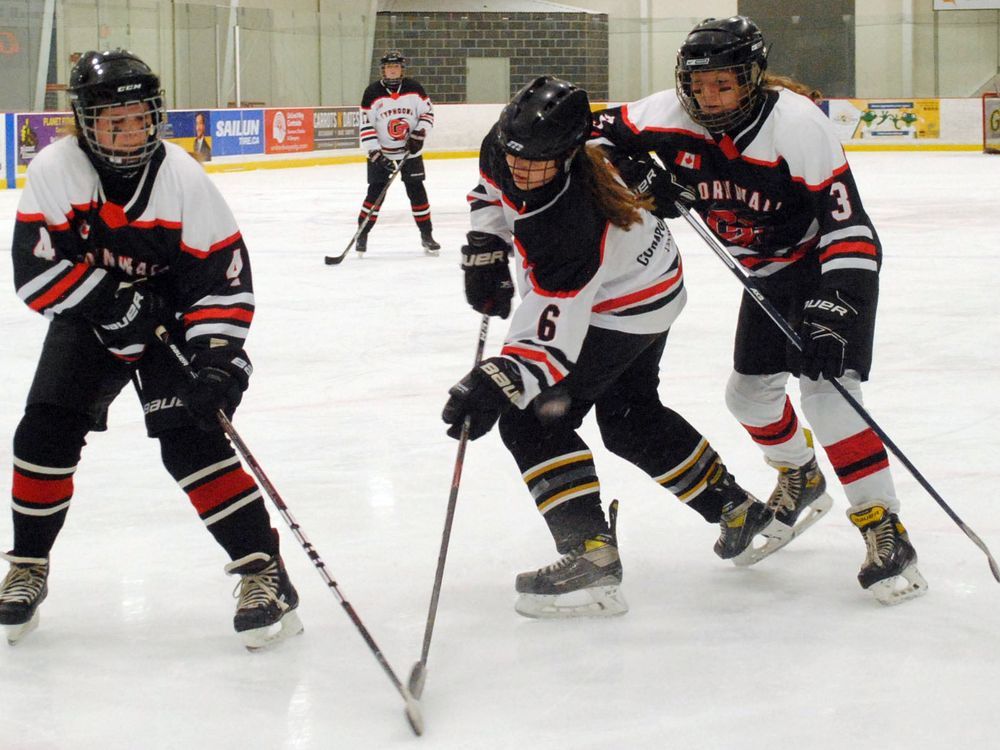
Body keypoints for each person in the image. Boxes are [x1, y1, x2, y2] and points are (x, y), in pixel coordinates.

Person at [591, 16, 927, 605]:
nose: (710, 97)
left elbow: (850, 227)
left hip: (827, 265)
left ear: (751, 79)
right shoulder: (665, 113)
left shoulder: (796, 125)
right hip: (766, 274)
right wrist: (635, 169)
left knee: (829, 397)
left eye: (724, 84)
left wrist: (835, 308)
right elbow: (589, 131)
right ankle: (801, 475)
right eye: (699, 84)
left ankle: (884, 526)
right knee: (747, 397)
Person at [441, 75, 775, 619]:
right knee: (629, 417)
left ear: (569, 155)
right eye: (514, 156)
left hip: (623, 307)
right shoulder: (508, 146)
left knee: (530, 420)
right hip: (652, 281)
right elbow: (490, 191)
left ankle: (591, 557)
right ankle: (736, 509)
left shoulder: (572, 222)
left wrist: (499, 379)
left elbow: (551, 342)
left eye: (537, 164)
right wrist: (486, 243)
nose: (521, 169)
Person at [0, 49, 302, 648]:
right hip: (91, 317)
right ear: (85, 122)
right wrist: (111, 299)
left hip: (173, 321)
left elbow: (224, 278)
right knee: (44, 431)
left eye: (140, 117)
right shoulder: (56, 169)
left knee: (191, 440)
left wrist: (214, 358)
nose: (131, 130)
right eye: (115, 120)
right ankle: (27, 565)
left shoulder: (182, 177)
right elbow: (34, 272)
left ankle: (264, 574)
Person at [355, 49, 440, 256]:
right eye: (388, 67)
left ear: (402, 69)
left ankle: (427, 235)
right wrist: (374, 152)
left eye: (396, 66)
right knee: (375, 194)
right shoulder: (372, 92)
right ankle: (362, 234)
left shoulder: (414, 88)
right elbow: (366, 124)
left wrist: (418, 135)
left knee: (417, 192)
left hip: (410, 153)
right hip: (382, 152)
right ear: (383, 70)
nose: (392, 70)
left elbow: (427, 113)